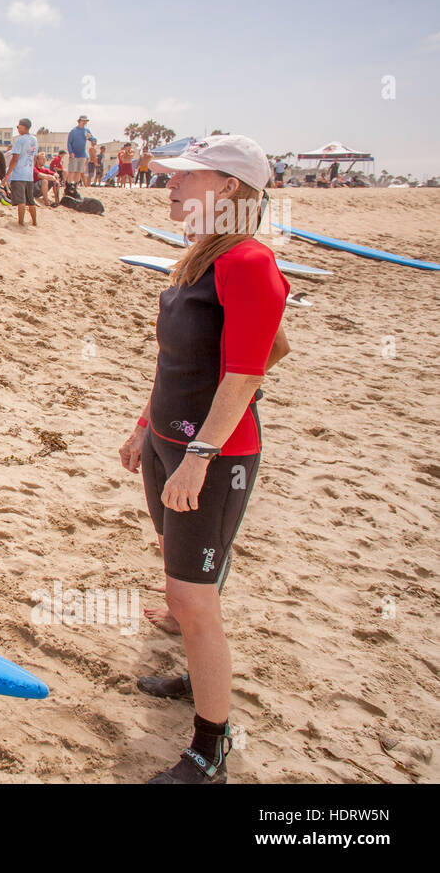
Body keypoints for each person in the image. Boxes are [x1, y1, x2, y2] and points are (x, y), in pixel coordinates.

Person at [118, 134, 290, 783]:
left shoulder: (248, 261)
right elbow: (176, 362)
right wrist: (144, 427)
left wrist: (197, 458)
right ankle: (197, 679)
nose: (171, 186)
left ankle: (211, 748)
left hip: (213, 457)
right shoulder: (199, 260)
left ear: (226, 189)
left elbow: (243, 377)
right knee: (188, 585)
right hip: (170, 444)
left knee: (192, 599)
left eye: (185, 178)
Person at [6, 118, 38, 226]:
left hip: (19, 174)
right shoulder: (34, 139)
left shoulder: (20, 140)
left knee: (21, 201)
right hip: (29, 174)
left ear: (24, 127)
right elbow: (34, 157)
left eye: (18, 126)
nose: (18, 128)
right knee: (30, 200)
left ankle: (20, 222)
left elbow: (15, 159)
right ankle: (34, 222)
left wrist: (7, 175)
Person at [66, 115, 95, 186]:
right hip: (74, 154)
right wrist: (70, 152)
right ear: (79, 121)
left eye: (86, 121)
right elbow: (69, 143)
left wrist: (91, 138)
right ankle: (68, 185)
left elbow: (92, 139)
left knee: (79, 171)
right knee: (72, 171)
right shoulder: (73, 131)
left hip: (82, 154)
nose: (84, 122)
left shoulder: (87, 130)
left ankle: (75, 185)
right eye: (83, 121)